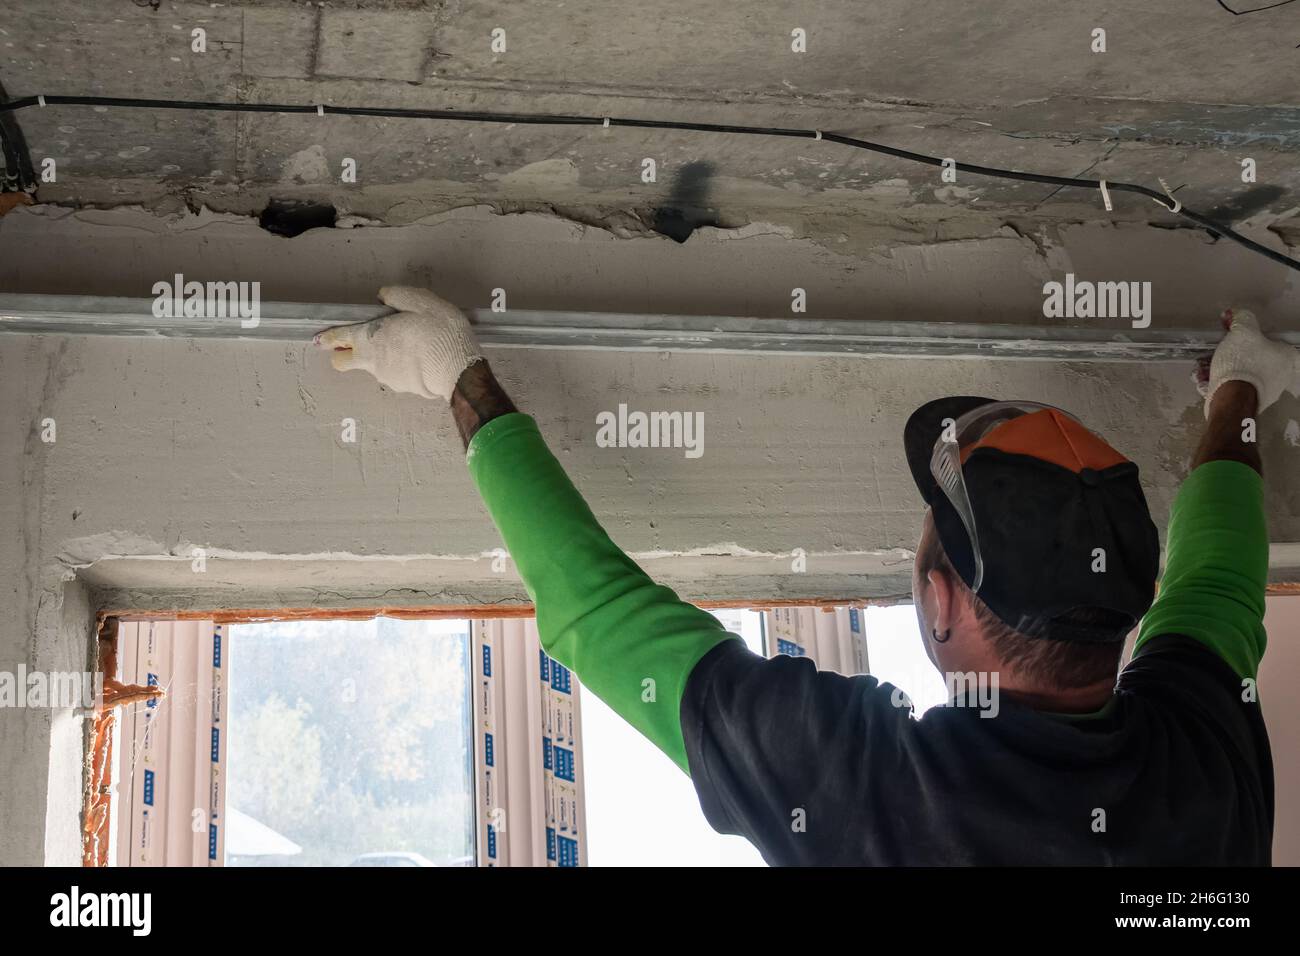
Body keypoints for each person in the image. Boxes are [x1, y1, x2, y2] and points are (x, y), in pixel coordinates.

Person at [317, 288, 1296, 865]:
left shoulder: (885, 787)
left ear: (941, 600)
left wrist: (456, 372)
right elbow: (1219, 571)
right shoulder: (1198, 751)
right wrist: (1239, 391)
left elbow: (597, 608)